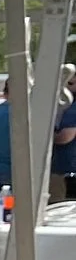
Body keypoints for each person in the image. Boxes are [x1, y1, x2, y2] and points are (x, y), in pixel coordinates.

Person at [52, 63, 76, 203]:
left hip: (65, 169)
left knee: (59, 205)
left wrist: (46, 138)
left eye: (70, 83)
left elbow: (66, 137)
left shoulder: (71, 109)